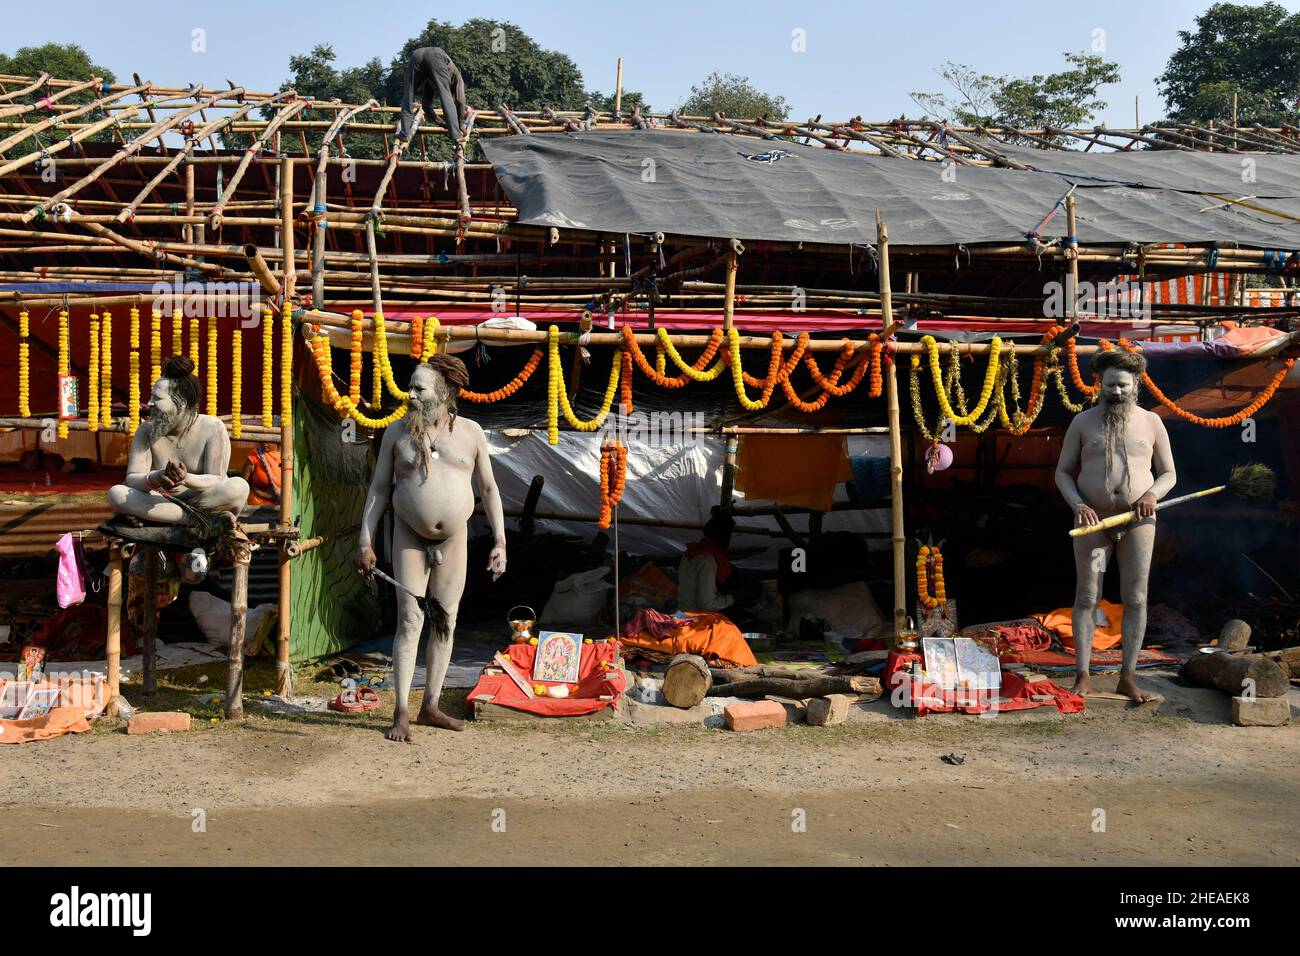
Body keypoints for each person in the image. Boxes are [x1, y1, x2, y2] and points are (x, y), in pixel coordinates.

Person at [356, 355, 507, 740]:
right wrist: (366, 539)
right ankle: (402, 711)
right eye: (411, 386)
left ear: (444, 391)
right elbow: (378, 490)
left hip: (455, 538)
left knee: (445, 620)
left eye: (418, 388)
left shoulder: (471, 433)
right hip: (408, 534)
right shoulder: (396, 433)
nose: (410, 394)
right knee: (410, 619)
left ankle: (432, 706)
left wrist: (500, 540)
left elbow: (488, 489)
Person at [1054, 349, 1176, 703]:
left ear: (1136, 384)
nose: (1117, 392)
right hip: (1093, 523)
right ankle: (1082, 674)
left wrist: (1152, 494)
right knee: (1088, 596)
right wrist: (1078, 503)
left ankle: (1128, 676)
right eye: (1110, 385)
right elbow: (1062, 472)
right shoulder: (1083, 422)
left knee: (1136, 597)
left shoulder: (1152, 422)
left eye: (1123, 385)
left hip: (1139, 523)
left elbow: (1169, 473)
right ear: (1100, 384)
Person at [106, 355, 249, 537]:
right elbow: (133, 478)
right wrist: (156, 477)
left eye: (156, 398)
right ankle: (199, 519)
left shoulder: (212, 427)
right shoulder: (146, 430)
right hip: (161, 501)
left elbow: (217, 479)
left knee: (238, 487)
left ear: (181, 402)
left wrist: (186, 478)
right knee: (116, 494)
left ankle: (169, 517)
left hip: (203, 500)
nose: (150, 403)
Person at [677, 509, 760, 620]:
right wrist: (734, 598)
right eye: (729, 536)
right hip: (695, 621)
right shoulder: (708, 560)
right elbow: (707, 604)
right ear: (724, 538)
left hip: (681, 616)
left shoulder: (689, 554)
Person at [399, 46, 471, 144]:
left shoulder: (431, 80)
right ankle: (456, 136)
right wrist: (461, 124)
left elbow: (426, 106)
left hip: (416, 56)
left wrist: (442, 123)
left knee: (408, 95)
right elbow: (460, 101)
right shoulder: (458, 78)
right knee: (446, 96)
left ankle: (404, 133)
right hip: (436, 56)